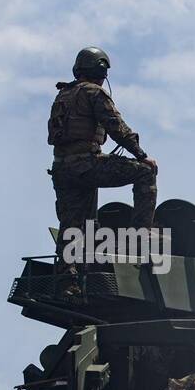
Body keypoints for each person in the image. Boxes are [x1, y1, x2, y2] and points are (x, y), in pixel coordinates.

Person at [47, 46, 158, 256]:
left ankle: (68, 283)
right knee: (145, 172)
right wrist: (142, 155)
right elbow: (116, 127)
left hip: (62, 169)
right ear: (101, 71)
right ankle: (138, 239)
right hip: (86, 165)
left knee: (71, 227)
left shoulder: (63, 95)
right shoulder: (94, 92)